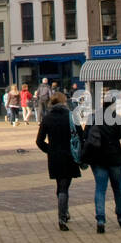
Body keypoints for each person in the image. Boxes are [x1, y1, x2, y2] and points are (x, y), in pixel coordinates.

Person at [81, 90, 121, 233]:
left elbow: (85, 137)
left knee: (100, 189)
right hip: (116, 158)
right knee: (118, 189)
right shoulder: (119, 118)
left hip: (98, 159)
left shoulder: (93, 117)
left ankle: (101, 219)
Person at [36, 92, 83, 231]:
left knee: (60, 185)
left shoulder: (47, 118)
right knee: (64, 186)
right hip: (69, 155)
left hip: (55, 157)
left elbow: (39, 141)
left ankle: (64, 212)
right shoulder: (71, 117)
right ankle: (62, 216)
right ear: (63, 102)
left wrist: (49, 150)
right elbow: (81, 135)